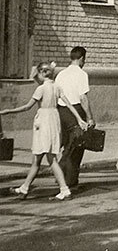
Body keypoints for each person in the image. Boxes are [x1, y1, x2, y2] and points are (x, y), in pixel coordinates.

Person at [1, 62, 86, 200]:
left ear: (41, 73)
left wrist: (8, 111)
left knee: (50, 158)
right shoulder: (57, 87)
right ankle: (25, 188)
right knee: (38, 158)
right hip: (54, 121)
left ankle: (64, 189)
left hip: (43, 123)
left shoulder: (40, 89)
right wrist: (79, 119)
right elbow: (69, 105)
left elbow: (27, 107)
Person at [55, 46, 95, 189]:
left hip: (61, 111)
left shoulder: (61, 74)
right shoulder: (81, 74)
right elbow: (83, 98)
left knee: (67, 144)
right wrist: (90, 117)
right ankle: (70, 181)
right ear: (82, 58)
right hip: (76, 110)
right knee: (77, 146)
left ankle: (61, 177)